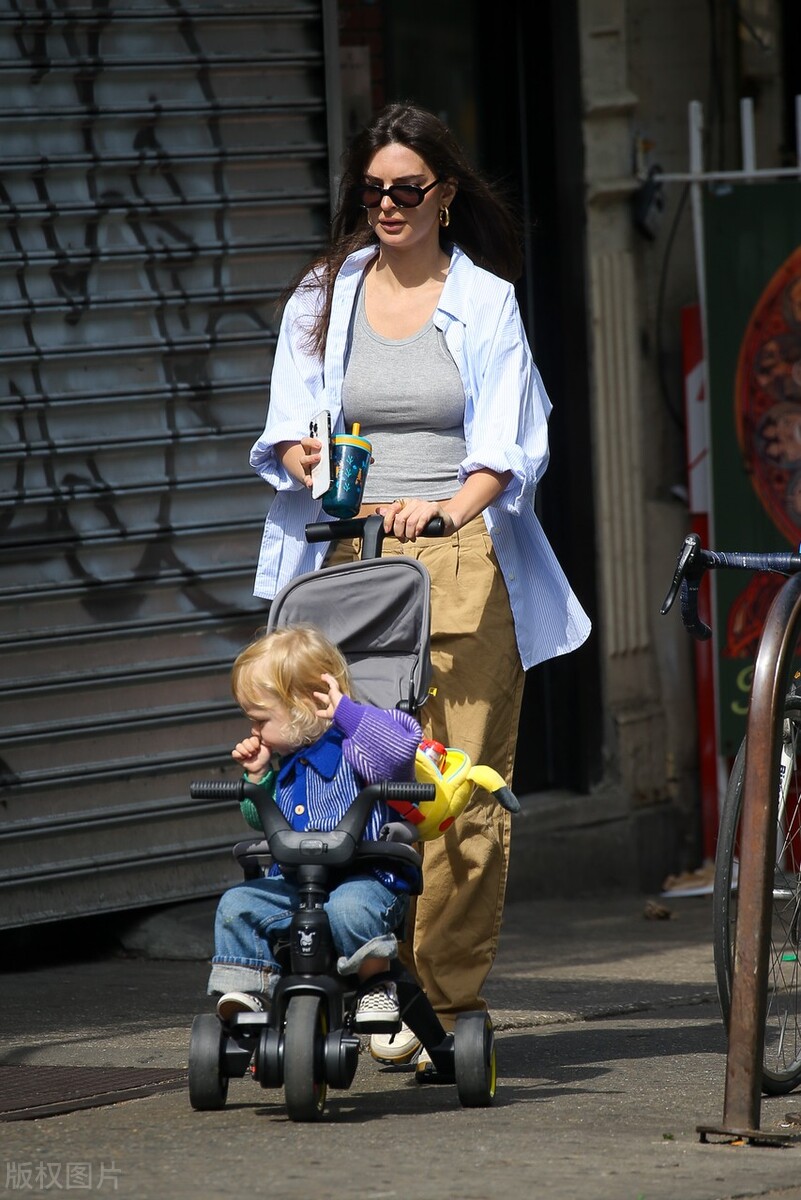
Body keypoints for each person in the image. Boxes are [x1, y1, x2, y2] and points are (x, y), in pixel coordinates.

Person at [248, 102, 591, 1062]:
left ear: (444, 194)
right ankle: (356, 966)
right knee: (340, 780)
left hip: (459, 558)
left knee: (459, 790)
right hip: (346, 561)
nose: (389, 206)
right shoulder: (323, 295)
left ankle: (440, 992)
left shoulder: (484, 301)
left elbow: (509, 449)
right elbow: (286, 424)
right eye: (373, 192)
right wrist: (308, 457)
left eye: (407, 189)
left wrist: (445, 508)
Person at [208, 624, 423, 1026]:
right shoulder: (289, 766)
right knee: (237, 904)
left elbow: (398, 754)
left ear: (307, 704)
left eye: (260, 720)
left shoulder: (356, 744)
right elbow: (263, 821)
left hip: (365, 878)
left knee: (350, 909)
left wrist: (347, 713)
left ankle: (376, 986)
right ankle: (249, 991)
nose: (254, 731)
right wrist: (258, 778)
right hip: (298, 884)